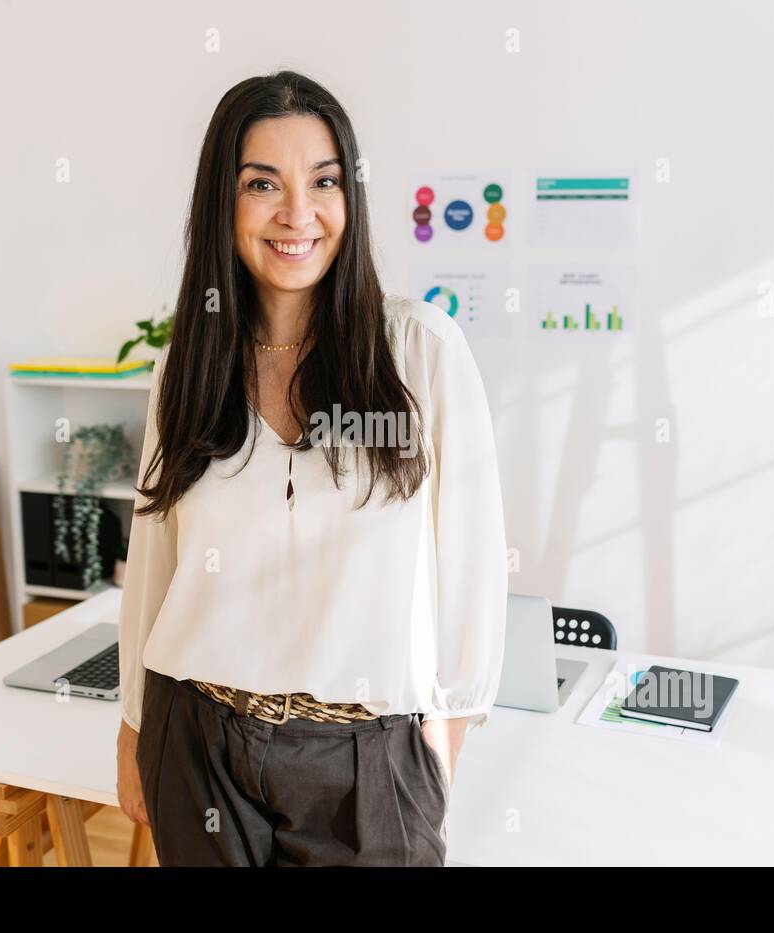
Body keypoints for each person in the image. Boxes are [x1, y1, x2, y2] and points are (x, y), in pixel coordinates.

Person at [115, 70, 507, 866]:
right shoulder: (188, 363)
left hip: (365, 762)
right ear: (221, 203)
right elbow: (154, 558)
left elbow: (471, 567)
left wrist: (444, 745)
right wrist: (133, 725)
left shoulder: (419, 351)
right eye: (264, 184)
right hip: (198, 744)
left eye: (323, 181)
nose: (298, 213)